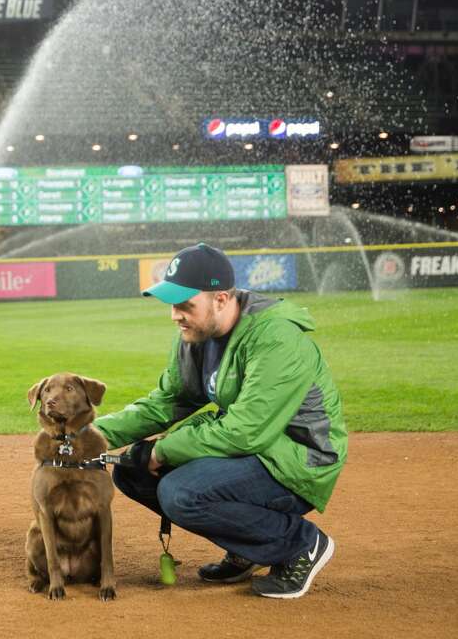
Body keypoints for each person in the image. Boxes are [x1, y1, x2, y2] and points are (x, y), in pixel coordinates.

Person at [94, 243, 347, 599]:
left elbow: (247, 430)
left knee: (180, 493)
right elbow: (169, 401)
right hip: (255, 449)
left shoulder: (276, 338)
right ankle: (251, 547)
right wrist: (92, 436)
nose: (174, 315)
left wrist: (163, 450)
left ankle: (300, 544)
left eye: (185, 305)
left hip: (300, 459)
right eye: (171, 304)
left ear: (222, 299)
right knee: (133, 472)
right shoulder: (196, 336)